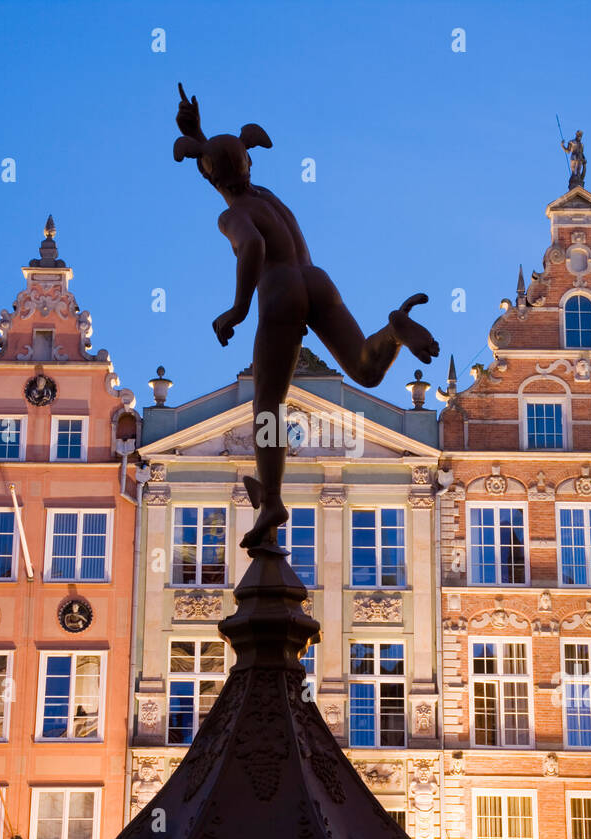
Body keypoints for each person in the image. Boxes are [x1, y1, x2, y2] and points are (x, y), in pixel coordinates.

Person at [172, 84, 439, 549]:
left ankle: (272, 498)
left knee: (267, 406)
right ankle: (393, 329)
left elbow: (253, 246)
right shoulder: (270, 195)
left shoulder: (232, 214)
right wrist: (201, 138)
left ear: (208, 178)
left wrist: (237, 310)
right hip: (315, 278)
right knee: (365, 368)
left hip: (279, 291)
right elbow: (228, 159)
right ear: (250, 161)